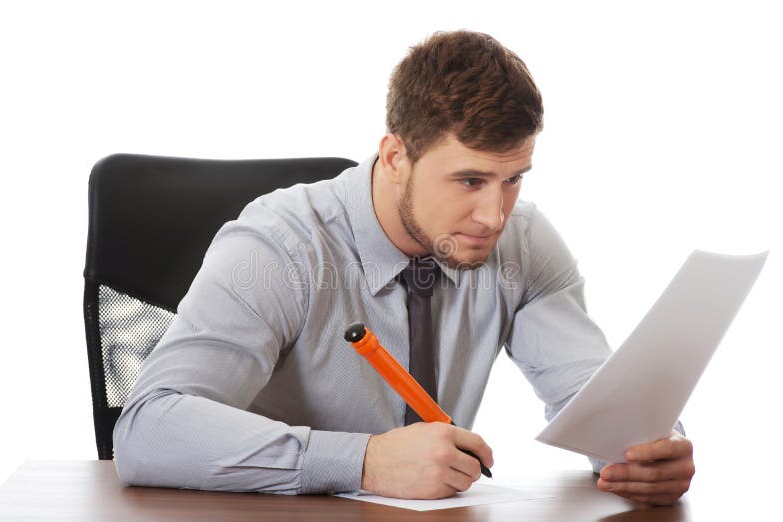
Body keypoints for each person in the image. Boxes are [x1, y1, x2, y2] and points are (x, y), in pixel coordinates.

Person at [113, 30, 695, 506]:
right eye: (470, 180)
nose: (494, 214)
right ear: (395, 157)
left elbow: (588, 399)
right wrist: (364, 461)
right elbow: (147, 431)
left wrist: (646, 448)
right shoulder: (276, 247)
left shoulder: (522, 242)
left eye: (513, 178)